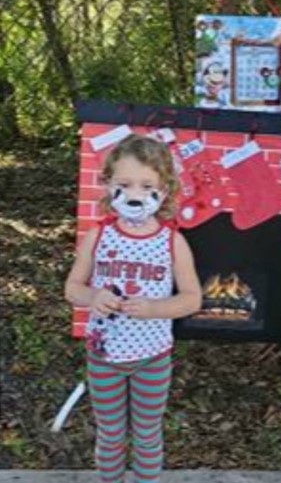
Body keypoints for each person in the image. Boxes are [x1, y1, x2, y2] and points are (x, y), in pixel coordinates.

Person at [65, 134, 203, 483]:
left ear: (165, 189)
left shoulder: (173, 241)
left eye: (147, 185)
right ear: (109, 184)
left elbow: (192, 298)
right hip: (104, 357)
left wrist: (157, 307)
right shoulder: (98, 236)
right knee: (110, 434)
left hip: (152, 357)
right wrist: (93, 297)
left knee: (147, 434)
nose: (135, 194)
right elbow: (73, 288)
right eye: (125, 184)